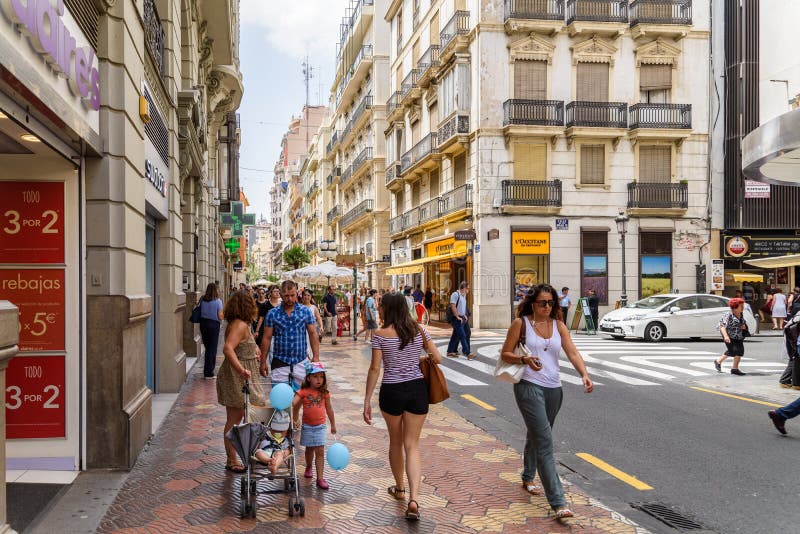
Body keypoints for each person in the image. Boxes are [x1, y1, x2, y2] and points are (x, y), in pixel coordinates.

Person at [498, 284, 593, 520]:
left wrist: (584, 374)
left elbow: (572, 352)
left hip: (554, 389)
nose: (547, 307)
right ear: (532, 303)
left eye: (551, 303)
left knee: (539, 433)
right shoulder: (521, 324)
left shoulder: (559, 325)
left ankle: (528, 475)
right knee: (545, 441)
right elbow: (505, 354)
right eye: (543, 303)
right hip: (529, 386)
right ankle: (559, 502)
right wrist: (524, 359)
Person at [363, 293, 442, 521]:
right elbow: (437, 358)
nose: (379, 309)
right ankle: (414, 499)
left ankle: (399, 489)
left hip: (392, 391)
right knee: (412, 445)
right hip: (417, 391)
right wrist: (416, 360)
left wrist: (367, 400)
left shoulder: (379, 335)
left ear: (388, 309)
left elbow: (375, 369)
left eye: (381, 306)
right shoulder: (418, 330)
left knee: (396, 442)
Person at [216, 290, 263, 473]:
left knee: (248, 416)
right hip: (238, 377)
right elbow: (228, 348)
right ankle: (232, 459)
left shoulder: (241, 324)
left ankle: (248, 453)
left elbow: (240, 346)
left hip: (239, 376)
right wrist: (241, 370)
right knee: (237, 419)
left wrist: (255, 349)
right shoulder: (240, 324)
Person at [260, 281, 320, 390]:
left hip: (301, 360)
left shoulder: (305, 312)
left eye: (292, 295)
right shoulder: (272, 314)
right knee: (281, 401)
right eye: (286, 296)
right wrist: (263, 361)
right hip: (279, 361)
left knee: (301, 399)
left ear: (297, 294)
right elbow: (266, 338)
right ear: (281, 294)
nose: (290, 299)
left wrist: (316, 356)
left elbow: (313, 333)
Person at [292, 362, 337, 490]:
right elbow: (294, 404)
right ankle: (308, 466)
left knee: (320, 451)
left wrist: (333, 425)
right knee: (309, 450)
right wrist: (294, 417)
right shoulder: (303, 392)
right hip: (307, 426)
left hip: (321, 427)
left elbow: (329, 409)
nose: (319, 380)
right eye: (315, 376)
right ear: (308, 378)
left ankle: (320, 478)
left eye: (321, 377)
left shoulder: (325, 393)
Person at [714, 297, 749, 375]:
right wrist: (726, 336)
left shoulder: (741, 314)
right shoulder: (728, 315)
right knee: (733, 351)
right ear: (735, 307)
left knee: (739, 351)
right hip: (729, 335)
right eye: (741, 306)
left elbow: (742, 323)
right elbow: (722, 326)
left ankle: (734, 368)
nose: (743, 308)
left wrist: (744, 327)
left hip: (738, 335)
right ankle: (718, 361)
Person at [253, 410, 293, 475]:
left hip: (278, 453)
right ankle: (270, 461)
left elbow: (288, 450)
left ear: (287, 431)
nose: (278, 433)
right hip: (265, 453)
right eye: (275, 430)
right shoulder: (265, 434)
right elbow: (258, 444)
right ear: (270, 428)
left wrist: (285, 452)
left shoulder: (285, 440)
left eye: (281, 431)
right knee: (258, 452)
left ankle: (274, 467)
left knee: (280, 454)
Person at [198, 283, 224, 379]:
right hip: (213, 325)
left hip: (203, 324)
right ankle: (209, 373)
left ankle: (208, 371)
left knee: (208, 347)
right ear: (215, 290)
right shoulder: (218, 301)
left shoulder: (202, 300)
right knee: (212, 349)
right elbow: (220, 316)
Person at [446, 282, 475, 360]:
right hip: (457, 319)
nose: (469, 289)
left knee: (464, 333)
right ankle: (467, 353)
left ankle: (450, 351)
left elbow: (462, 306)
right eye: (468, 288)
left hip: (463, 318)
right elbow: (453, 306)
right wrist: (457, 316)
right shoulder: (455, 294)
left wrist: (464, 315)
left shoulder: (464, 295)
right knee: (462, 335)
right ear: (464, 288)